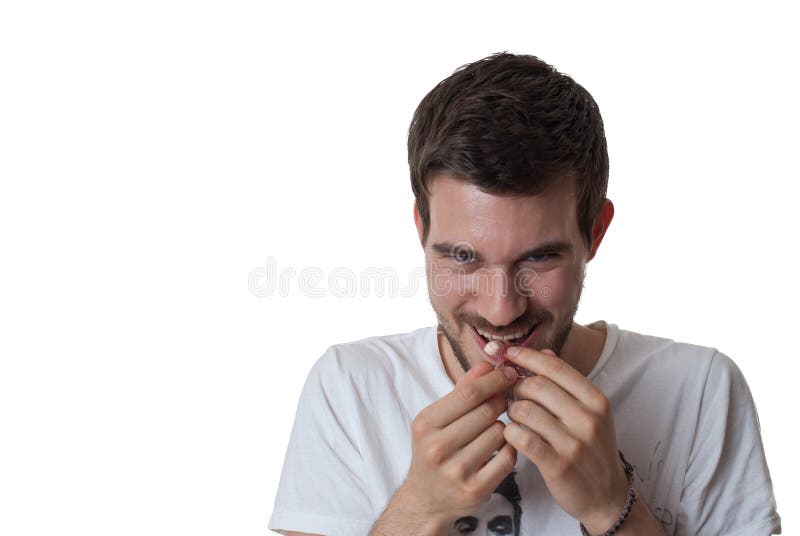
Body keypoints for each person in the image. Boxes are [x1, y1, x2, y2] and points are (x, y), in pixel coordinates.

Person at [267, 52, 781, 535]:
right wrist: (420, 510)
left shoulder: (700, 388)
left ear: (595, 234)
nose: (500, 309)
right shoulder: (350, 386)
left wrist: (610, 505)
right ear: (421, 229)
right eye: (463, 256)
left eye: (538, 258)